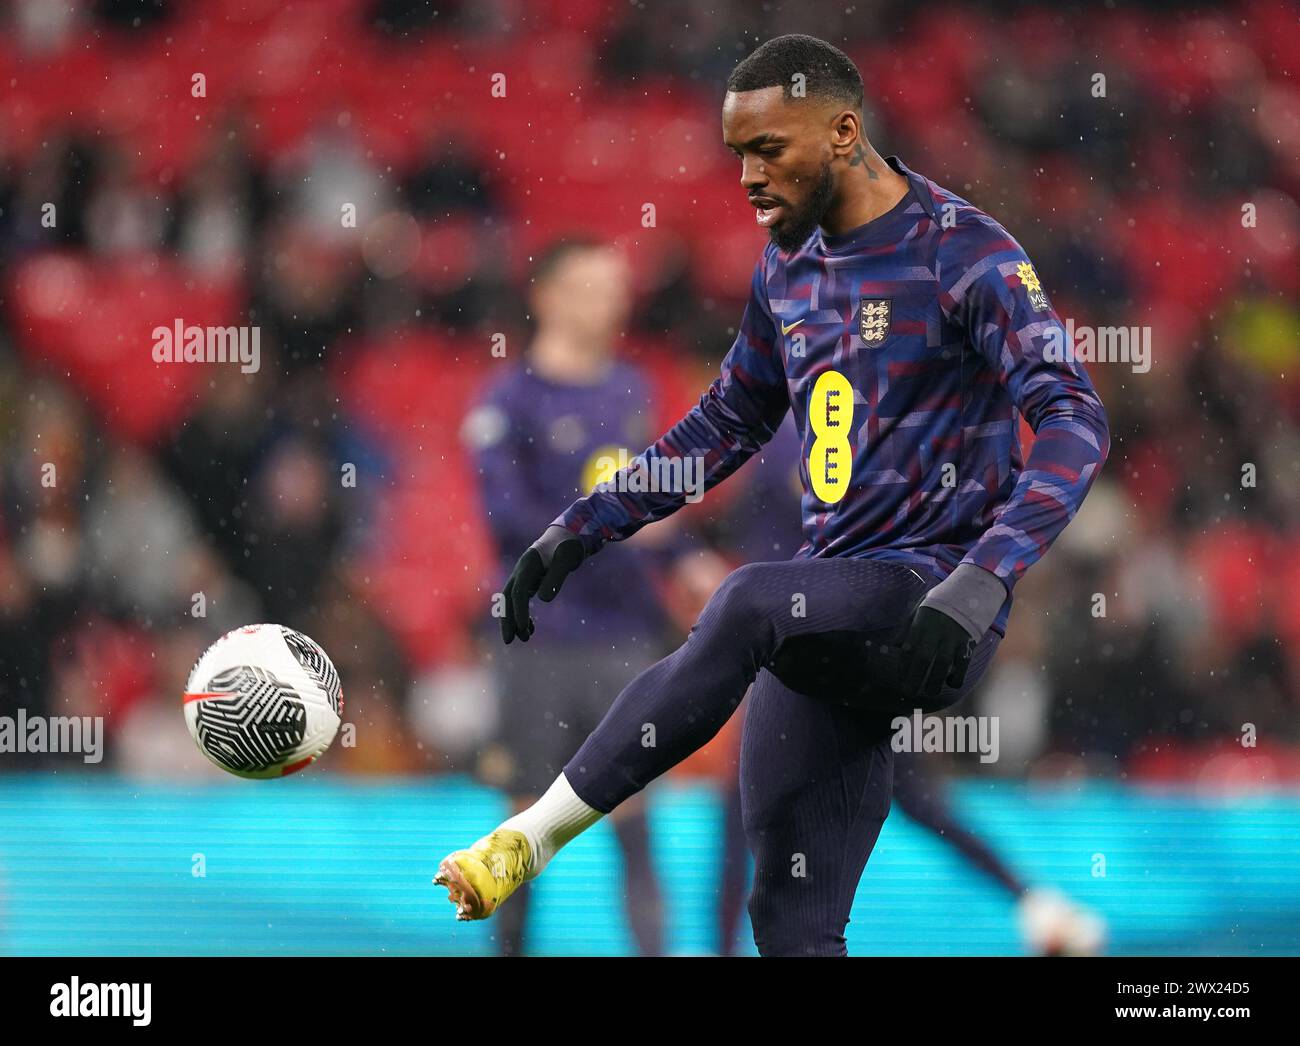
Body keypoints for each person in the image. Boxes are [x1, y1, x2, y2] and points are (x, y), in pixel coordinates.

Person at [436, 33, 1110, 956]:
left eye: (769, 150)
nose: (748, 178)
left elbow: (1075, 415)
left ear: (842, 132)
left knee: (750, 596)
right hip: (829, 620)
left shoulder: (964, 252)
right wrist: (579, 530)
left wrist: (990, 575)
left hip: (937, 597)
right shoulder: (787, 271)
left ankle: (530, 837)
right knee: (789, 925)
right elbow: (723, 425)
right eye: (737, 154)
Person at [462, 238, 667, 955]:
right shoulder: (507, 400)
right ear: (544, 296)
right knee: (522, 824)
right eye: (589, 285)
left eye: (615, 285)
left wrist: (685, 553)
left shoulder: (632, 390)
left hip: (626, 633)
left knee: (634, 818)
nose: (608, 300)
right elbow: (505, 522)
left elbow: (656, 507)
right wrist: (602, 523)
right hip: (539, 635)